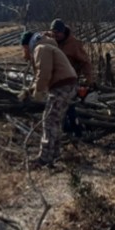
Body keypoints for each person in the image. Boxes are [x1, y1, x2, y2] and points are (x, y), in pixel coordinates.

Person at [19, 30, 78, 168]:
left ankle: (44, 158)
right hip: (67, 85)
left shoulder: (40, 48)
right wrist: (30, 90)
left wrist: (38, 92)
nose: (24, 52)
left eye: (24, 48)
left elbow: (44, 73)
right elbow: (41, 75)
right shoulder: (45, 46)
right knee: (55, 121)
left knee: (49, 121)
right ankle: (54, 154)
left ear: (27, 45)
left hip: (62, 86)